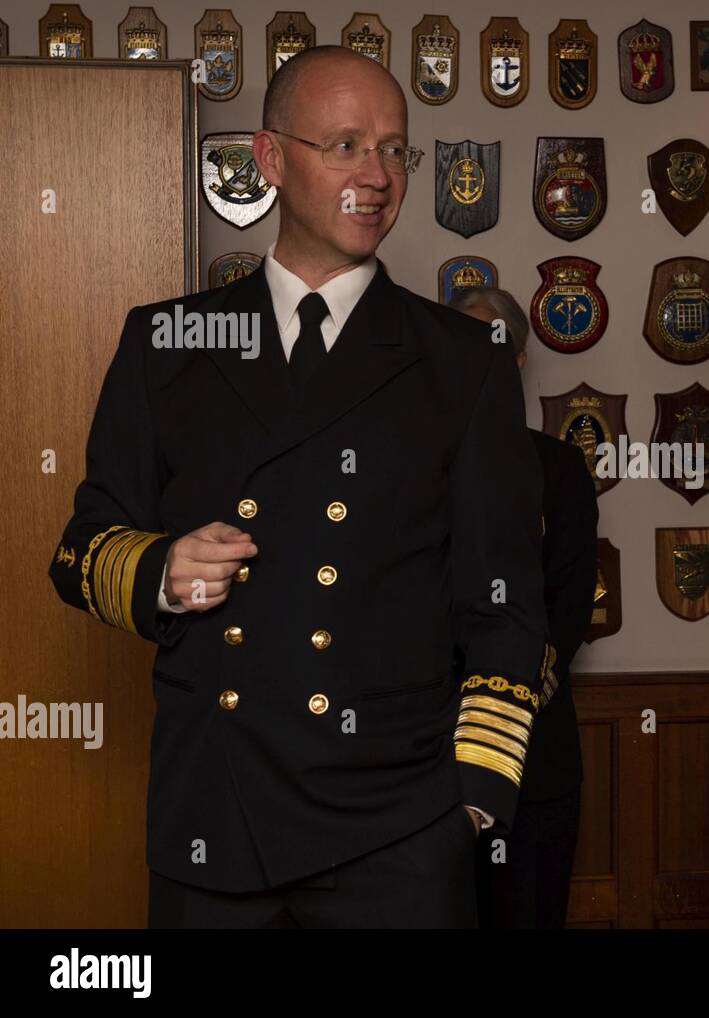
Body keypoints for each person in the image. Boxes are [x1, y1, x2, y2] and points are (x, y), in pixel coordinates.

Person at [47, 45, 547, 928]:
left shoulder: (464, 363)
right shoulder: (166, 342)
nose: (377, 175)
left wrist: (470, 800)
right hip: (215, 818)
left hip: (396, 832)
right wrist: (162, 569)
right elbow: (82, 550)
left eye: (395, 150)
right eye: (346, 145)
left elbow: (504, 606)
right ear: (271, 158)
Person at [447, 286, 597, 928]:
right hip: (424, 760)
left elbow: (565, 614)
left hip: (531, 758)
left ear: (518, 358)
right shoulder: (414, 466)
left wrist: (493, 718)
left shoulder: (557, 469)